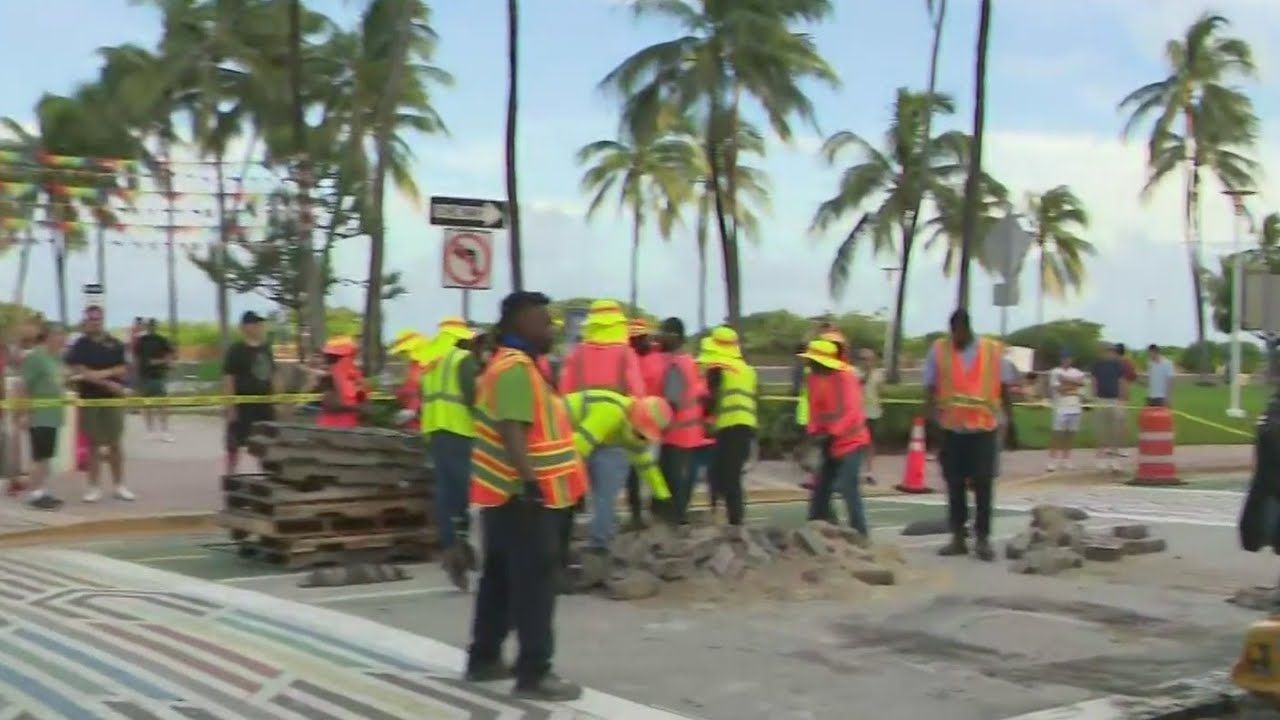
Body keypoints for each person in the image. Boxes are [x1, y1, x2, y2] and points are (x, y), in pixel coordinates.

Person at [465, 290, 584, 701]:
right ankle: (535, 671)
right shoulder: (516, 369)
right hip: (523, 496)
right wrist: (532, 483)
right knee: (534, 584)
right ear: (520, 324)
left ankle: (483, 658)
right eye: (543, 321)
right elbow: (513, 431)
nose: (549, 328)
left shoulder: (515, 365)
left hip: (504, 495)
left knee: (498, 579)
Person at [924, 309, 1017, 561]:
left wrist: (1011, 423)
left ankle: (983, 538)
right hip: (951, 429)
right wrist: (931, 423)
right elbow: (931, 389)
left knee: (983, 483)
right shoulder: (938, 350)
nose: (955, 338)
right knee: (954, 483)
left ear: (967, 328)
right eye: (952, 333)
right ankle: (957, 536)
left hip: (983, 429)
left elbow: (1005, 389)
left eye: (959, 333)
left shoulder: (992, 350)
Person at [557, 299, 645, 551]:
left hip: (580, 439)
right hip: (613, 439)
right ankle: (598, 549)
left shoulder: (577, 355)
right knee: (605, 500)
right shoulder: (625, 355)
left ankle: (561, 549)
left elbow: (564, 397)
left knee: (570, 496)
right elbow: (637, 398)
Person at [564, 391, 673, 562]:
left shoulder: (631, 428)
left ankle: (597, 548)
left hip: (592, 440)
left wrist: (663, 496)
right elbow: (577, 448)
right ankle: (565, 548)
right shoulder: (611, 412)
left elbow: (646, 465)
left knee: (605, 494)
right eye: (640, 434)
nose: (641, 438)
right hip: (562, 429)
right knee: (567, 495)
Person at [419, 317, 481, 590]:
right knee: (469, 491)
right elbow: (474, 397)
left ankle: (451, 547)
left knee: (445, 494)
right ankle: (466, 548)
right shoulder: (461, 359)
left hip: (436, 431)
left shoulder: (431, 360)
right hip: (460, 431)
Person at [800, 339, 871, 534]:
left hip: (851, 440)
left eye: (813, 362)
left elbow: (851, 411)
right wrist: (813, 433)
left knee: (849, 488)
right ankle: (816, 525)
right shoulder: (813, 379)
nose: (810, 365)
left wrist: (831, 432)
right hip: (828, 440)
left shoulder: (846, 378)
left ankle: (861, 533)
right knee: (821, 486)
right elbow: (814, 410)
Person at [65, 305, 133, 503]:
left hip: (113, 400)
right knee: (94, 445)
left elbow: (122, 369)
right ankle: (93, 487)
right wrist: (108, 382)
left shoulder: (115, 343)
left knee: (115, 444)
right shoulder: (80, 345)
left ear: (103, 320)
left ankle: (120, 485)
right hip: (90, 399)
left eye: (97, 318)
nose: (94, 322)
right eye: (91, 319)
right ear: (86, 321)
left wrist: (102, 374)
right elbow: (79, 370)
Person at [703, 326, 758, 527]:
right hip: (746, 426)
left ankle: (731, 520)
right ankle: (732, 518)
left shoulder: (717, 368)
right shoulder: (748, 370)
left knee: (721, 474)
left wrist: (705, 419)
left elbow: (712, 397)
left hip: (727, 426)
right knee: (729, 474)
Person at [652, 318, 706, 524]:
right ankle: (677, 520)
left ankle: (674, 524)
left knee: (672, 484)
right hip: (689, 435)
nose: (659, 338)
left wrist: (655, 423)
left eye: (663, 333)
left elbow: (671, 403)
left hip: (675, 435)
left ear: (674, 336)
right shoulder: (688, 361)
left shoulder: (676, 365)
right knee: (681, 483)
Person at [16, 321, 67, 509]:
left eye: (63, 335)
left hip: (54, 414)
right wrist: (24, 413)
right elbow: (22, 386)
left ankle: (43, 491)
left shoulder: (57, 359)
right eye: (58, 334)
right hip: (39, 414)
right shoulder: (36, 358)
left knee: (47, 456)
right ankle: (35, 494)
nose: (62, 339)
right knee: (39, 456)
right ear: (48, 337)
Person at [222, 311, 278, 474]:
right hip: (242, 405)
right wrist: (230, 406)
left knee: (266, 439)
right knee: (235, 441)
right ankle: (231, 472)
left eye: (260, 325)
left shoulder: (266, 349)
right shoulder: (236, 350)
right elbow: (228, 378)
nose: (259, 328)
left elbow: (273, 375)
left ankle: (267, 472)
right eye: (255, 325)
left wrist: (278, 400)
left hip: (264, 405)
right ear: (245, 327)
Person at [626, 317, 658, 528]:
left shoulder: (655, 358)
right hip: (634, 424)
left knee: (646, 471)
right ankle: (638, 515)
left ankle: (645, 515)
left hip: (651, 424)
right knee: (634, 474)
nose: (634, 342)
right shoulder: (630, 359)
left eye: (637, 338)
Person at [134, 318, 175, 441]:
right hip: (144, 376)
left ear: (156, 326)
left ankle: (165, 431)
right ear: (147, 327)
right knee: (146, 405)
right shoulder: (141, 341)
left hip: (159, 376)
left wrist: (163, 362)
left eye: (153, 325)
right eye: (149, 325)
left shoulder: (162, 340)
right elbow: (136, 358)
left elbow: (168, 355)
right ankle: (150, 431)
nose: (151, 327)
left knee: (162, 404)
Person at [1047, 352, 1086, 472]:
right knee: (1057, 434)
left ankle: (1066, 459)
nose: (1066, 360)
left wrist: (1067, 381)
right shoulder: (1055, 372)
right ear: (1061, 359)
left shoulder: (1078, 372)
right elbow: (1060, 389)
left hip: (1075, 407)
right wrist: (1074, 384)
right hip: (1061, 407)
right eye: (1064, 358)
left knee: (1070, 434)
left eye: (1069, 358)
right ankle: (1052, 460)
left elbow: (1082, 386)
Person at [1092, 343, 1128, 471]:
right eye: (1107, 351)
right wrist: (1094, 396)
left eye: (1111, 351)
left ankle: (1114, 459)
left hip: (1114, 399)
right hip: (1101, 399)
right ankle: (1100, 457)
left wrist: (1122, 398)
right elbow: (1094, 380)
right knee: (1101, 430)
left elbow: (1122, 381)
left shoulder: (1118, 365)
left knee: (1115, 431)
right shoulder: (1098, 364)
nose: (1109, 353)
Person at [316, 336, 367, 427]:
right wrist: (357, 408)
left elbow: (359, 396)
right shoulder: (329, 375)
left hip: (349, 425)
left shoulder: (352, 374)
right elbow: (330, 404)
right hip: (333, 427)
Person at [389, 329, 428, 431]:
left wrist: (414, 411)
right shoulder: (413, 367)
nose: (402, 355)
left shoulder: (429, 367)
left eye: (404, 351)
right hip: (411, 425)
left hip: (424, 426)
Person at [856, 348, 885, 484]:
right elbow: (860, 383)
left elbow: (880, 390)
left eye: (870, 359)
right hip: (857, 414)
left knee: (870, 444)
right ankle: (856, 471)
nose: (868, 362)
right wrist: (867, 373)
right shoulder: (854, 372)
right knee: (856, 444)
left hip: (873, 413)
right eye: (864, 359)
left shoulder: (879, 374)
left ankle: (869, 472)